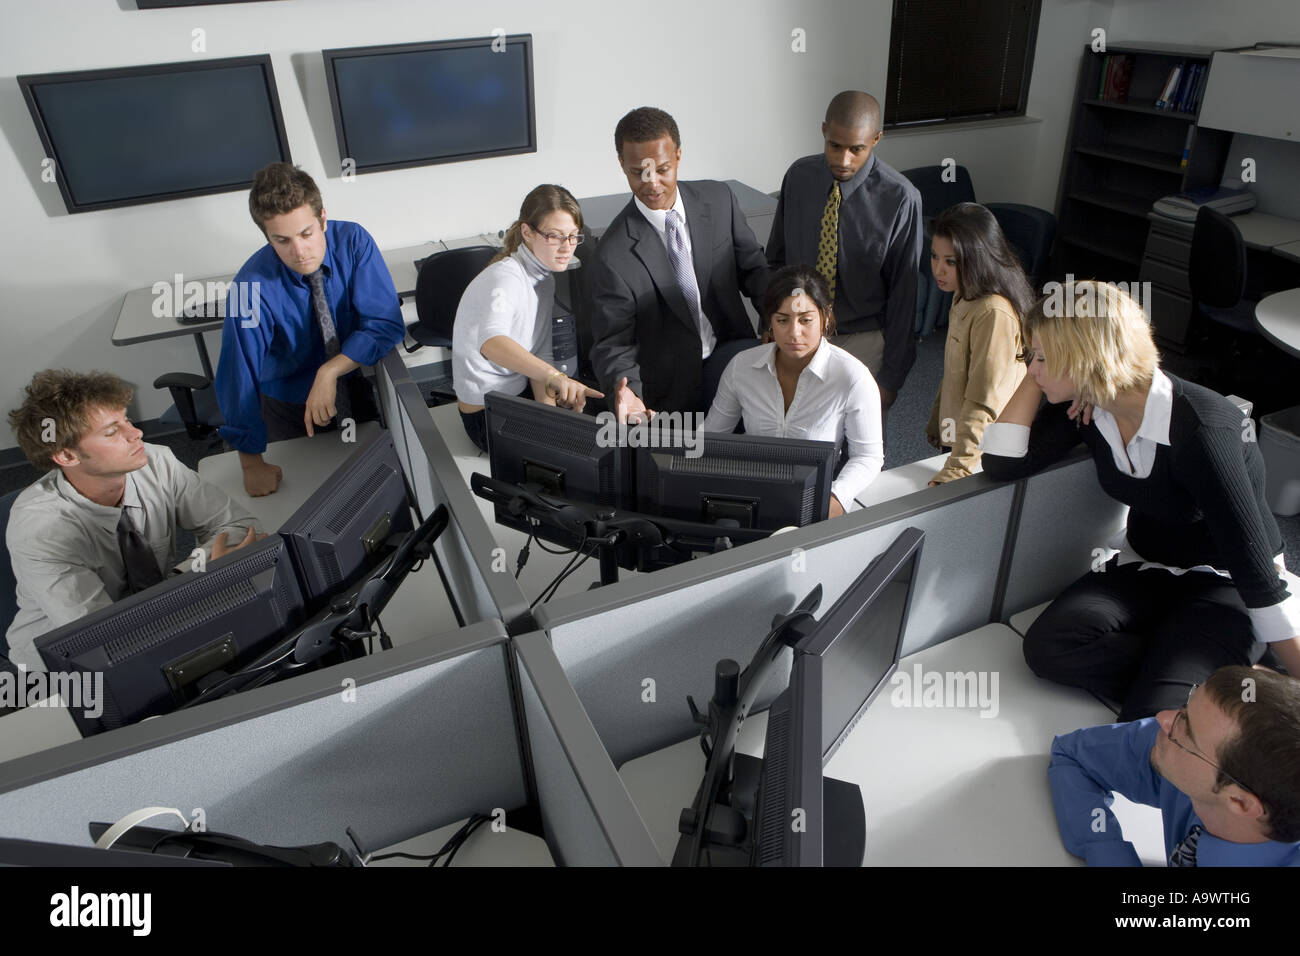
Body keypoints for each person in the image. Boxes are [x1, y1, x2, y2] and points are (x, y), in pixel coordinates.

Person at [981, 281, 1300, 719]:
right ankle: (1191, 670)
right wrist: (1046, 376)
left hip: (1224, 582)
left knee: (1154, 719)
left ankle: (1204, 673)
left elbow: (1254, 568)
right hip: (1146, 568)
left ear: (1086, 356)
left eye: (1039, 357)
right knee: (1048, 649)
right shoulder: (1090, 409)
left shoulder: (1203, 431)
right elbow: (1002, 462)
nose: (1030, 369)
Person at [5, 370, 263, 672]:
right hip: (64, 669)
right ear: (66, 456)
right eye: (112, 431)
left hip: (162, 623)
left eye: (126, 420)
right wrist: (201, 577)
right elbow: (103, 638)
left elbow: (243, 527)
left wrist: (189, 573)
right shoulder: (41, 532)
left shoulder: (156, 462)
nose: (136, 433)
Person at [215, 162, 405, 497]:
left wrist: (329, 371)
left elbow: (385, 324)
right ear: (267, 238)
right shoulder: (249, 287)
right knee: (308, 500)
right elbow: (238, 376)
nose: (300, 252)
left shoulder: (354, 242)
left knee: (376, 485)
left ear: (323, 220)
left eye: (307, 234)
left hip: (350, 384)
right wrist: (251, 463)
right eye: (282, 240)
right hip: (289, 407)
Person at [587, 107, 768, 422]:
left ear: (679, 156)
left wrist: (782, 316)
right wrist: (626, 390)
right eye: (637, 172)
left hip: (733, 357)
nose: (652, 184)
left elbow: (755, 270)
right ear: (622, 165)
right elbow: (613, 343)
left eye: (662, 169)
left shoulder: (720, 199)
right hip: (668, 391)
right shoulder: (611, 256)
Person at [1049, 665, 1300, 866]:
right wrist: (1106, 848)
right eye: (1186, 707)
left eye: (1186, 727)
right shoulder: (1186, 754)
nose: (1163, 717)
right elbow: (1073, 754)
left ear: (1240, 802)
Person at [767, 91, 923, 412]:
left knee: (857, 445)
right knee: (794, 431)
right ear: (824, 130)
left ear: (876, 139)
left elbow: (903, 298)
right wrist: (770, 325)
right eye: (835, 146)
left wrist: (891, 378)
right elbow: (777, 260)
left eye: (857, 149)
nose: (843, 160)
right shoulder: (799, 177)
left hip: (862, 337)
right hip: (798, 331)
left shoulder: (901, 199)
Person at [703, 266, 883, 518]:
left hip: (816, 500)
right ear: (769, 322)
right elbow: (711, 439)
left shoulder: (852, 377)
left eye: (805, 320)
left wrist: (837, 496)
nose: (794, 333)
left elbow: (868, 457)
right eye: (782, 320)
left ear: (825, 317)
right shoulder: (741, 367)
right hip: (751, 496)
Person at [452, 185, 604, 452]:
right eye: (555, 236)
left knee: (604, 417)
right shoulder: (506, 277)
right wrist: (555, 377)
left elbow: (541, 354)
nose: (566, 248)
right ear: (527, 232)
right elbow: (491, 343)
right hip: (486, 416)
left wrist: (552, 417)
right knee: (586, 447)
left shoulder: (544, 280)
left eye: (572, 237)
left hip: (518, 397)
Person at [923, 203, 1032, 485]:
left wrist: (956, 469)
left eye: (951, 261)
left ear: (978, 258)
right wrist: (940, 421)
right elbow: (955, 371)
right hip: (961, 439)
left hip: (981, 453)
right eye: (935, 256)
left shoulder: (993, 313)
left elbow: (984, 402)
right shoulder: (964, 294)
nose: (938, 269)